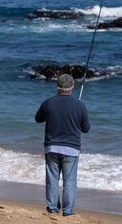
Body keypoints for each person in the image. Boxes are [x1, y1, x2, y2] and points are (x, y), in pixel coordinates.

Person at [35, 74, 91, 216]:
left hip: (52, 147)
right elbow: (86, 128)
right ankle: (68, 211)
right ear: (72, 87)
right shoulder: (79, 105)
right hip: (71, 149)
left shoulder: (48, 102)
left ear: (57, 87)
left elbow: (38, 119)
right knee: (69, 182)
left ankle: (53, 209)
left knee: (52, 179)